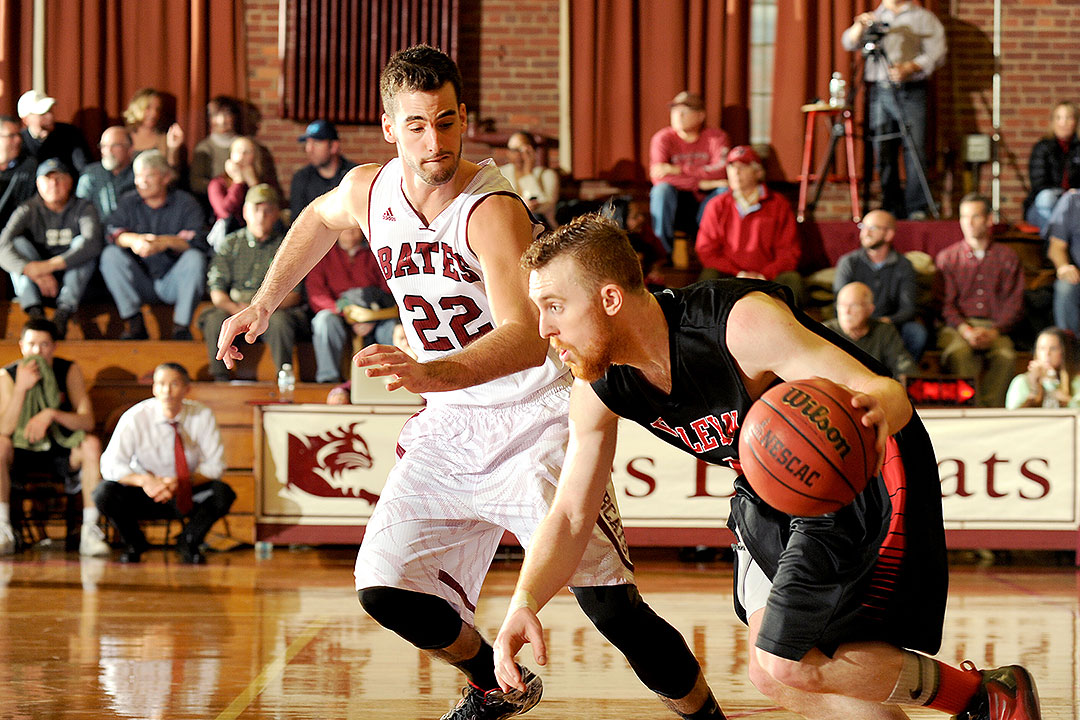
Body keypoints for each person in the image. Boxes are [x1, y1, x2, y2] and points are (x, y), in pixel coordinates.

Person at [215, 44, 724, 720]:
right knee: (384, 587)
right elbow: (316, 219)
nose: (436, 141)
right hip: (452, 424)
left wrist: (431, 371)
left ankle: (708, 718)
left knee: (612, 610)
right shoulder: (369, 188)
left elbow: (521, 336)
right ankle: (496, 683)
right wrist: (262, 300)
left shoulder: (491, 209)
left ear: (465, 119)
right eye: (419, 125)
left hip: (535, 417)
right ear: (390, 126)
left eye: (449, 122)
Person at [494, 212, 1042, 720]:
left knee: (787, 658)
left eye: (554, 306)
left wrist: (874, 412)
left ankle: (983, 698)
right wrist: (524, 600)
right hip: (769, 490)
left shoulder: (737, 324)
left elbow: (884, 390)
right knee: (773, 674)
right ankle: (989, 699)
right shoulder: (598, 386)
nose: (542, 327)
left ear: (609, 298)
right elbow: (569, 513)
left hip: (855, 468)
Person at [94, 362, 234, 564]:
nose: (166, 391)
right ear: (153, 388)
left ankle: (188, 541)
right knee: (103, 493)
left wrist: (182, 481)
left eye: (174, 384)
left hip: (185, 490)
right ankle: (135, 543)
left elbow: (216, 464)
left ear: (187, 389)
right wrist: (145, 481)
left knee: (222, 493)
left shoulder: (202, 415)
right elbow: (110, 465)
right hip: (145, 492)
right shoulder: (135, 417)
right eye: (160, 384)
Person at [0, 319, 106, 557]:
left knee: (91, 444)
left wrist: (50, 414)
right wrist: (21, 389)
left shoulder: (68, 370)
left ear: (54, 346)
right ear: (21, 346)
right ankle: (2, 528)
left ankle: (90, 530)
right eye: (32, 344)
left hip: (60, 447)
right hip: (22, 450)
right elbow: (5, 428)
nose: (37, 351)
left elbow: (87, 421)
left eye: (44, 344)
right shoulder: (8, 375)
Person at [842, 1, 946, 219]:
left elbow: (938, 52)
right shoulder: (874, 17)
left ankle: (916, 207)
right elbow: (849, 42)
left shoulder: (922, 17)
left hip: (911, 90)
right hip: (879, 90)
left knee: (915, 149)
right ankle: (890, 206)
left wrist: (910, 67)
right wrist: (860, 26)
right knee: (883, 149)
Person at [199, 184, 306, 382]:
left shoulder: (286, 245)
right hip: (235, 306)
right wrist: (236, 309)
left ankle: (284, 377)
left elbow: (295, 294)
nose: (261, 216)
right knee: (216, 320)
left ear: (276, 214)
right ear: (245, 212)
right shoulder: (230, 243)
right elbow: (216, 289)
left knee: (281, 323)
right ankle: (220, 378)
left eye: (268, 210)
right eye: (256, 209)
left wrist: (262, 310)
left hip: (274, 309)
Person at [101, 150, 208, 341]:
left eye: (148, 175)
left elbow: (197, 241)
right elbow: (112, 232)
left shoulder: (185, 203)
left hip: (172, 281)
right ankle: (134, 323)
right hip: (141, 281)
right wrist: (134, 240)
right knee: (110, 255)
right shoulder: (129, 201)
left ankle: (181, 328)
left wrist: (164, 242)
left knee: (195, 258)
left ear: (166, 177)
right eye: (138, 176)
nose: (141, 181)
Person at [935, 193, 1024, 407]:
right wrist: (965, 330)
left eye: (975, 216)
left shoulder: (1007, 257)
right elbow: (944, 304)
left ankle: (991, 414)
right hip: (957, 327)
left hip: (995, 327)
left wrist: (995, 331)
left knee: (1005, 356)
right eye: (964, 217)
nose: (968, 223)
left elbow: (1014, 303)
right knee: (958, 353)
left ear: (988, 219)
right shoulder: (948, 257)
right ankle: (971, 412)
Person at [0, 158, 103, 338]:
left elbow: (93, 243)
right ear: (38, 184)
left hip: (73, 282)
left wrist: (51, 265)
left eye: (59, 178)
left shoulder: (84, 207)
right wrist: (31, 270)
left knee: (82, 245)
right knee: (17, 245)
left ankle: (63, 314)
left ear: (70, 182)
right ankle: (35, 313)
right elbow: (2, 245)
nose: (54, 184)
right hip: (38, 282)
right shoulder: (28, 208)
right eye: (48, 179)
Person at [695, 145, 802, 303]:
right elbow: (706, 250)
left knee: (793, 281)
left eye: (743, 167)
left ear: (758, 172)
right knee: (708, 279)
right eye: (732, 167)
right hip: (730, 276)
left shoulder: (778, 204)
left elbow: (789, 252)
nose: (736, 172)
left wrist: (763, 275)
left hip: (768, 278)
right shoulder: (716, 205)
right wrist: (738, 273)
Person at [306, 227, 397, 384]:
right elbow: (316, 294)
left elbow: (389, 289)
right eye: (344, 226)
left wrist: (369, 318)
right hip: (338, 312)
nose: (349, 230)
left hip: (375, 313)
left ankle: (391, 380)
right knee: (323, 321)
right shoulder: (322, 254)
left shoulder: (376, 251)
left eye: (353, 226)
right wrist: (348, 315)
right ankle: (328, 381)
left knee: (393, 327)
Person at [833, 209, 928, 359]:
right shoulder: (849, 262)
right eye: (863, 227)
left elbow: (908, 309)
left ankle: (902, 377)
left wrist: (884, 322)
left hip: (890, 323)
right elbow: (840, 301)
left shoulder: (903, 265)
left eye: (873, 228)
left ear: (889, 234)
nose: (865, 233)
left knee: (917, 333)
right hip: (854, 321)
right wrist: (856, 322)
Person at [649, 91, 730, 253]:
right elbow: (659, 177)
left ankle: (706, 249)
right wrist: (701, 182)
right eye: (675, 111)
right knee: (661, 190)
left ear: (700, 116)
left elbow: (722, 170)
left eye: (685, 111)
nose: (678, 116)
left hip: (704, 200)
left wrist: (679, 170)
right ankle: (664, 254)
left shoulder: (716, 137)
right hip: (676, 201)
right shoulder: (663, 138)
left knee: (724, 190)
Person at [825, 282, 918, 382]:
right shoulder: (823, 332)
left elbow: (903, 365)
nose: (846, 311)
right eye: (842, 305)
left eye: (854, 305)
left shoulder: (884, 331)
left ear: (870, 309)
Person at [1024, 102, 1080, 233]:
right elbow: (1039, 184)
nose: (1063, 123)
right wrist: (1064, 195)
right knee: (1047, 197)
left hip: (1075, 200)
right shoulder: (1042, 147)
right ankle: (1052, 244)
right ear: (1053, 122)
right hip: (1046, 204)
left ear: (1076, 122)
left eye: (1068, 118)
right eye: (1059, 118)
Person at [207, 136, 276, 240]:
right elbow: (225, 212)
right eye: (238, 151)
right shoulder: (217, 183)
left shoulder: (264, 181)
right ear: (231, 155)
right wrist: (238, 181)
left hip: (258, 232)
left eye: (247, 152)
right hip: (227, 234)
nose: (242, 155)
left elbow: (270, 208)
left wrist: (253, 183)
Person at [290, 120, 357, 222]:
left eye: (316, 143)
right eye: (307, 142)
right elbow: (297, 221)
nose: (309, 149)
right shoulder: (302, 178)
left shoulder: (353, 175)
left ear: (334, 146)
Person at [16, 90, 92, 173]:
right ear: (26, 119)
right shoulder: (19, 141)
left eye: (50, 111)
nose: (50, 116)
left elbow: (84, 168)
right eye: (42, 113)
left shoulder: (69, 134)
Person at [1005, 326, 1080, 409]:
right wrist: (1034, 390)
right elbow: (1012, 416)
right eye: (1042, 348)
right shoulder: (1021, 381)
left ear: (1064, 352)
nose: (1047, 353)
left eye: (1053, 348)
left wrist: (1067, 400)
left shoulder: (1076, 381)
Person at [500, 131, 559, 228]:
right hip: (510, 225)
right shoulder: (501, 173)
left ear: (532, 151)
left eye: (523, 150)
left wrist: (528, 173)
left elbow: (542, 206)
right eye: (514, 150)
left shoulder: (548, 175)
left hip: (542, 228)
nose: (518, 155)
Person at [76, 126, 136, 221]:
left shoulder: (139, 173)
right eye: (104, 146)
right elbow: (80, 209)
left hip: (134, 231)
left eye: (115, 146)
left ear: (130, 149)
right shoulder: (90, 174)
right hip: (98, 232)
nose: (108, 151)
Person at [1044, 188, 1080, 335]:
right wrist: (1063, 266)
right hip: (1078, 275)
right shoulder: (1072, 201)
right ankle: (1069, 351)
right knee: (1065, 286)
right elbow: (1056, 247)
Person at [122, 88, 185, 172]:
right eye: (148, 108)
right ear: (136, 108)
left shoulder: (164, 139)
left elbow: (171, 173)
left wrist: (173, 150)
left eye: (157, 109)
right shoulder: (123, 136)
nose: (154, 114)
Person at [190, 96, 242, 197]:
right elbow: (196, 183)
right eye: (216, 115)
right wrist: (220, 188)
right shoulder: (204, 148)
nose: (222, 121)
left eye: (227, 114)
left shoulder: (244, 145)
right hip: (213, 203)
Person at [0, 115, 38, 231]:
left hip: (17, 232)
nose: (18, 140)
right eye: (11, 136)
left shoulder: (29, 167)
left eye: (19, 135)